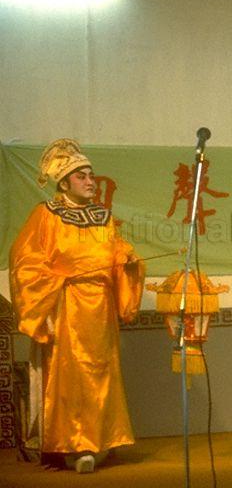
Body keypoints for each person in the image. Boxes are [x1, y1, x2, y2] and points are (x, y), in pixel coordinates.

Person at [10, 138, 145, 473]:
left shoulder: (103, 218)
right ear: (64, 182)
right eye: (82, 176)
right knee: (70, 379)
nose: (90, 182)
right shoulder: (46, 215)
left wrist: (126, 260)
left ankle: (104, 439)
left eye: (91, 175)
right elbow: (25, 262)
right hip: (65, 306)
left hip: (99, 309)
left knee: (102, 375)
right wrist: (54, 284)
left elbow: (113, 251)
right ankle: (73, 443)